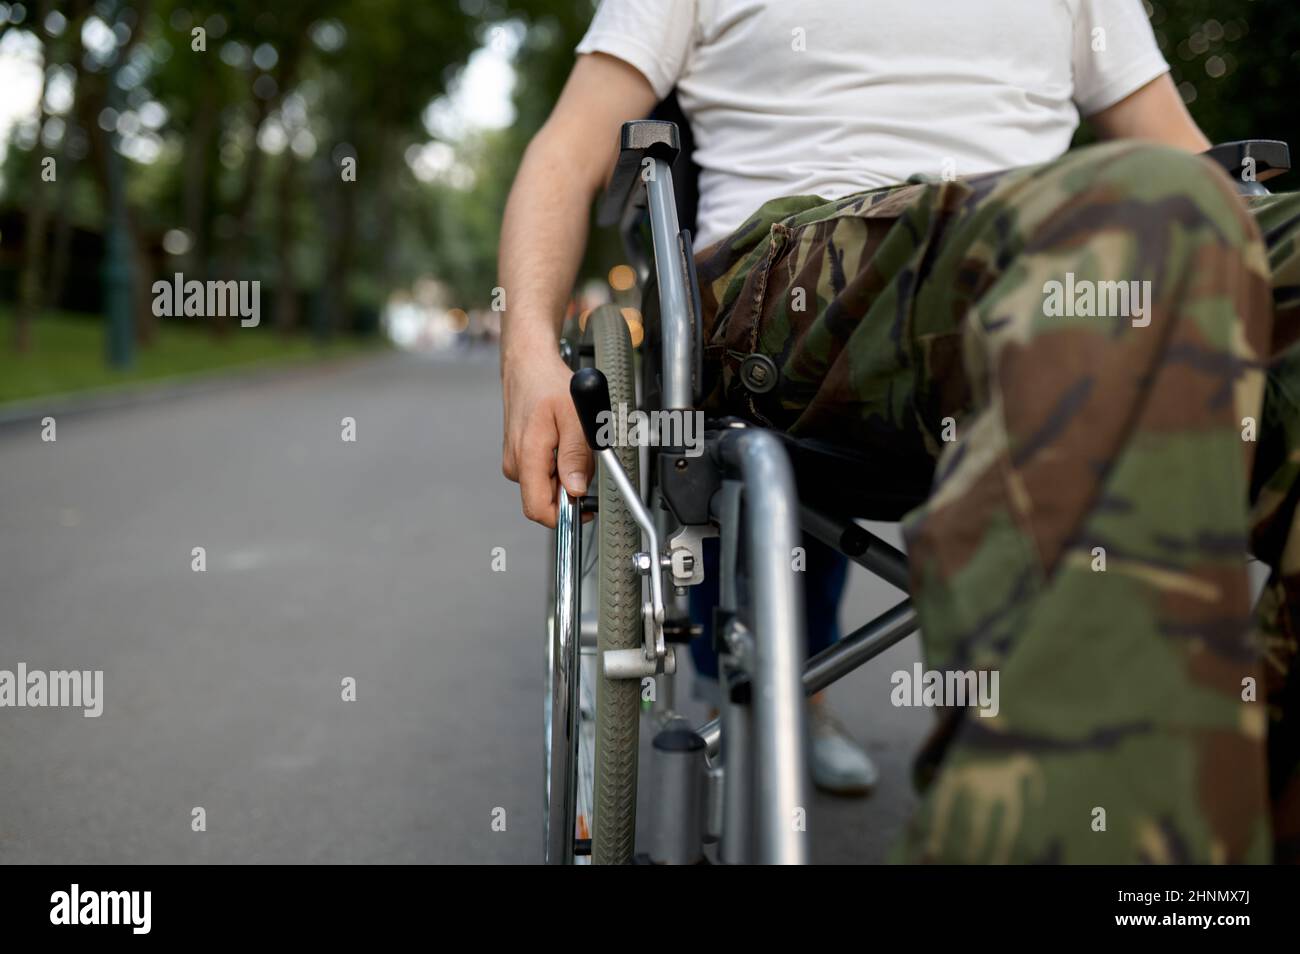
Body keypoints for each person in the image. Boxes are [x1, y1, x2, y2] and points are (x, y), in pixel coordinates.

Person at [498, 0, 1300, 863]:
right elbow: (569, 146)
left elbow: (1189, 157)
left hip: (1081, 250)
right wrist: (527, 350)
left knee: (1167, 220)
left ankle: (1216, 847)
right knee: (1137, 215)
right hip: (796, 275)